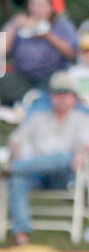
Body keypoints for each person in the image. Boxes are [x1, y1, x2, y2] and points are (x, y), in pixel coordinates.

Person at [6, 69, 89, 241]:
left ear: (74, 97)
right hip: (36, 173)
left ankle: (13, 168)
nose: (62, 98)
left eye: (66, 94)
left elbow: (85, 144)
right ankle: (21, 233)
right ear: (51, 97)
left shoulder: (81, 119)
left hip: (64, 176)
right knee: (18, 179)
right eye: (58, 94)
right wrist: (19, 154)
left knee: (63, 158)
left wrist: (81, 154)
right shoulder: (38, 117)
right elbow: (16, 140)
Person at [0, 0, 77, 107]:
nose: (37, 9)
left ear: (51, 7)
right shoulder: (20, 22)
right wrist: (13, 26)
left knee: (60, 84)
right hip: (22, 76)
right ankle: (27, 100)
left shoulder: (61, 25)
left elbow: (72, 53)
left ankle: (37, 101)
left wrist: (48, 36)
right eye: (34, 4)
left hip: (51, 75)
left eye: (42, 5)